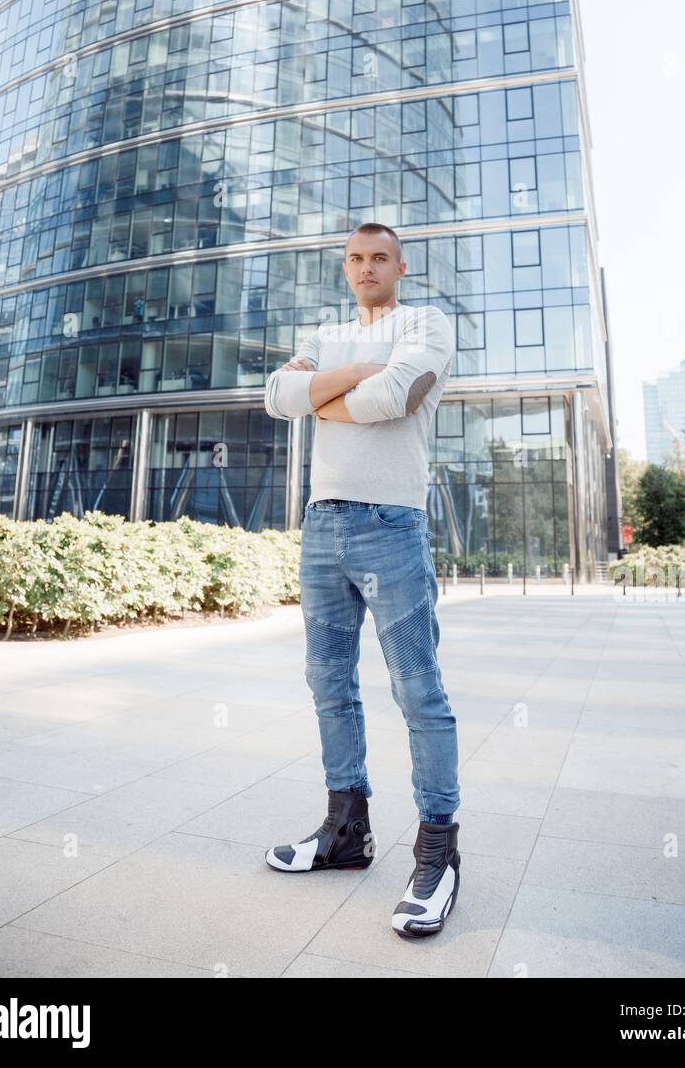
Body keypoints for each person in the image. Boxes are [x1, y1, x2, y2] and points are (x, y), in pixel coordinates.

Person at [262, 221, 460, 939]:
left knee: (418, 688)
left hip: (391, 526)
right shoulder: (328, 330)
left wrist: (316, 393)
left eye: (380, 257)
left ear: (400, 266)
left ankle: (439, 849)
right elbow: (273, 396)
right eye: (355, 258)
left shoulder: (427, 323)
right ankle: (347, 830)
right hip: (322, 526)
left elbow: (398, 398)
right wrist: (346, 377)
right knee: (328, 683)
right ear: (344, 268)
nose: (366, 267)